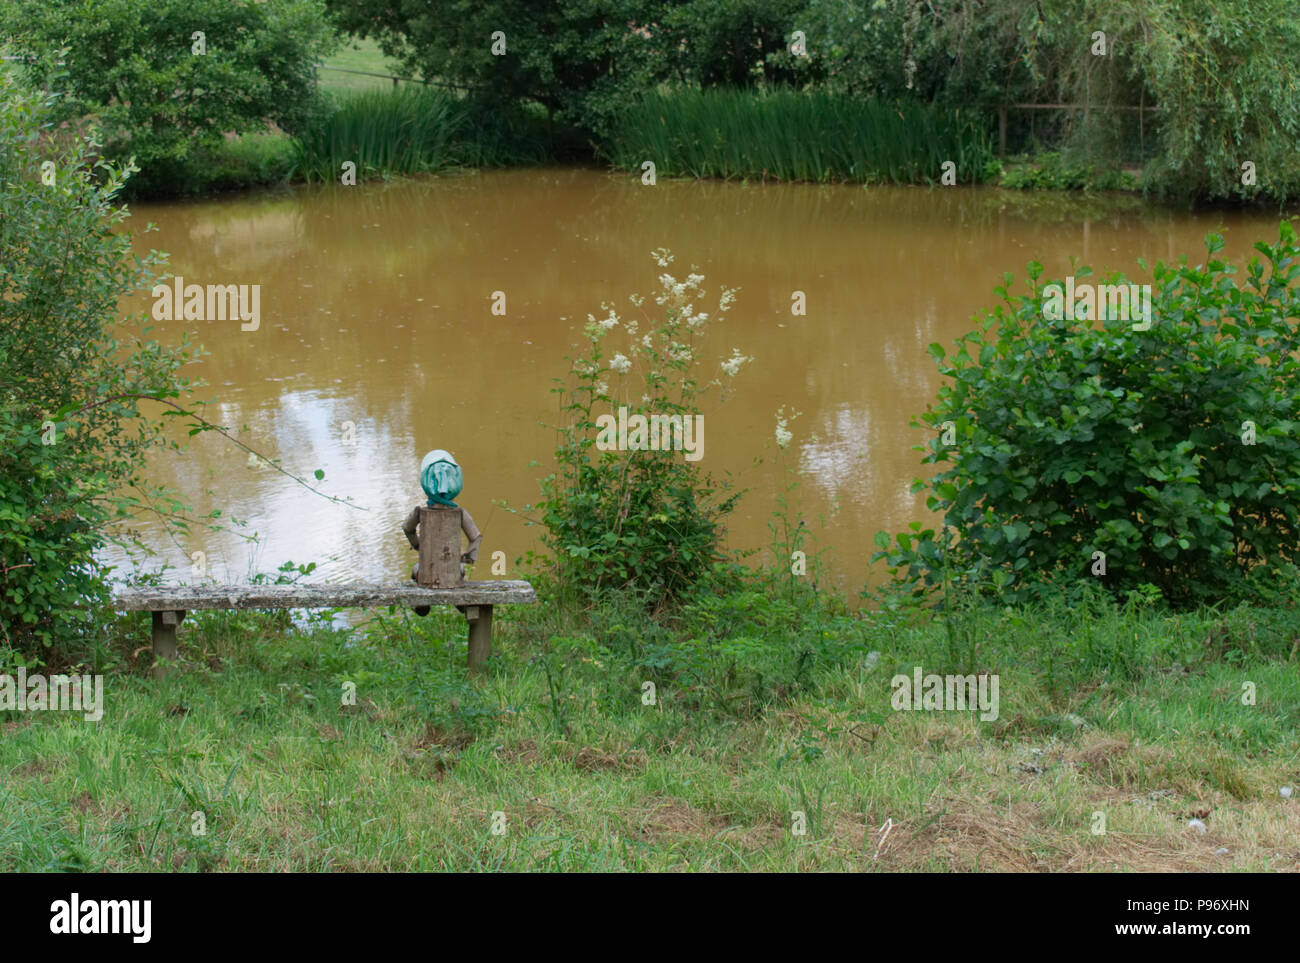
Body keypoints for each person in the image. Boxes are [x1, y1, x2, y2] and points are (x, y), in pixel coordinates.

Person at [402, 450, 482, 616]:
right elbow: (476, 537)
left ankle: (421, 604)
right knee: (460, 570)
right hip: (453, 575)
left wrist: (417, 544)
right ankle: (459, 601)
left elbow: (407, 528)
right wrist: (468, 557)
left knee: (415, 569)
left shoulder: (420, 512)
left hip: (426, 575)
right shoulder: (460, 513)